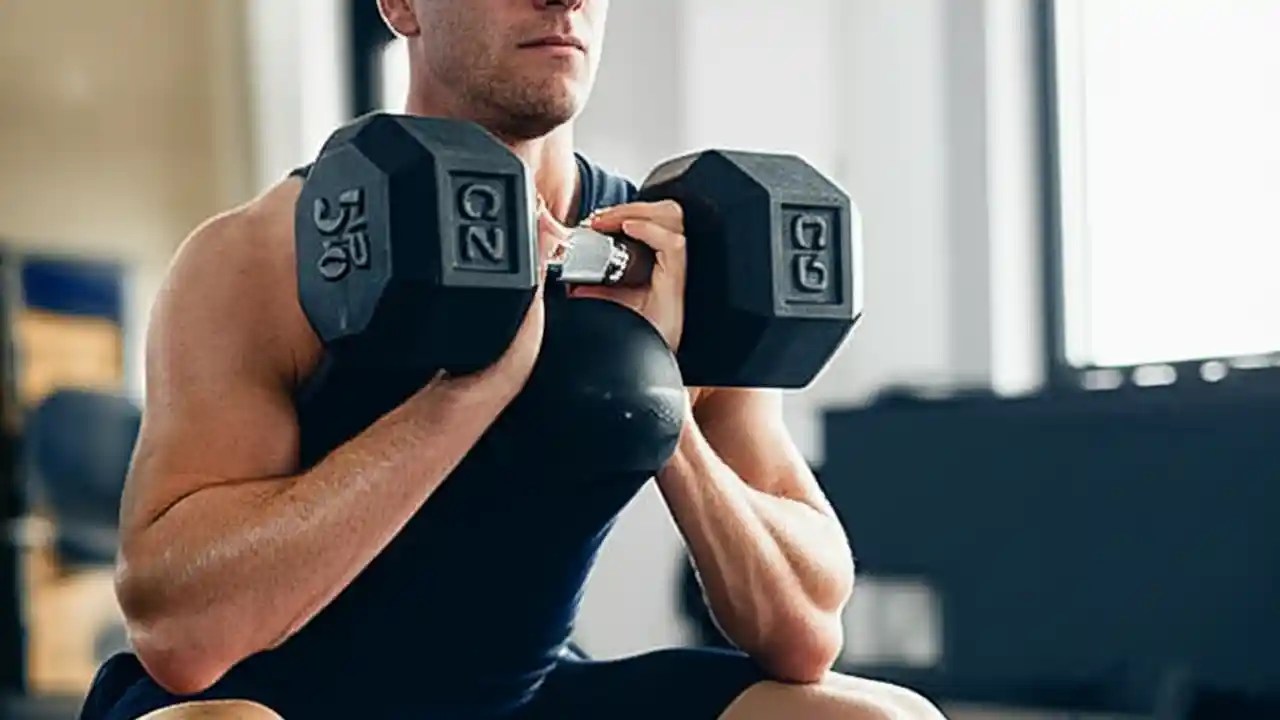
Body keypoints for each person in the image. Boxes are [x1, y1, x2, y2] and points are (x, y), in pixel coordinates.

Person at [79, 1, 947, 718]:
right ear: (401, 5)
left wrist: (654, 392)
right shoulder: (262, 258)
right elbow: (182, 636)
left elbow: (803, 629)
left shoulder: (670, 259)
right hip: (272, 699)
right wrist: (469, 392)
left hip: (523, 698)